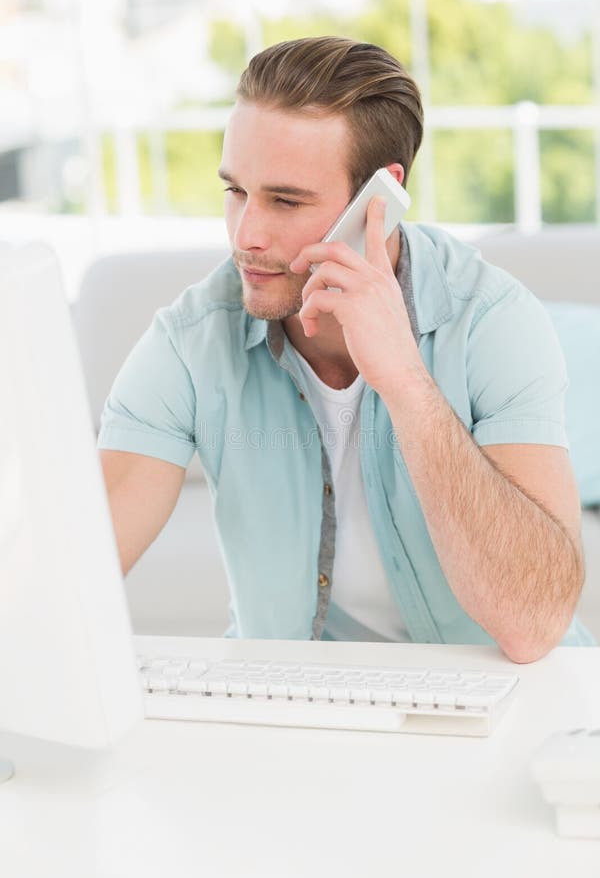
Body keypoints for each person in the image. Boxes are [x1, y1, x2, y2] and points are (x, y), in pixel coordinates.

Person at [98, 36, 595, 661]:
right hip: (300, 706)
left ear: (378, 199)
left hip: (505, 699)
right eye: (235, 191)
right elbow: (79, 563)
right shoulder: (193, 338)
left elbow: (534, 625)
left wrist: (406, 384)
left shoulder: (494, 322)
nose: (246, 234)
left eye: (285, 200)